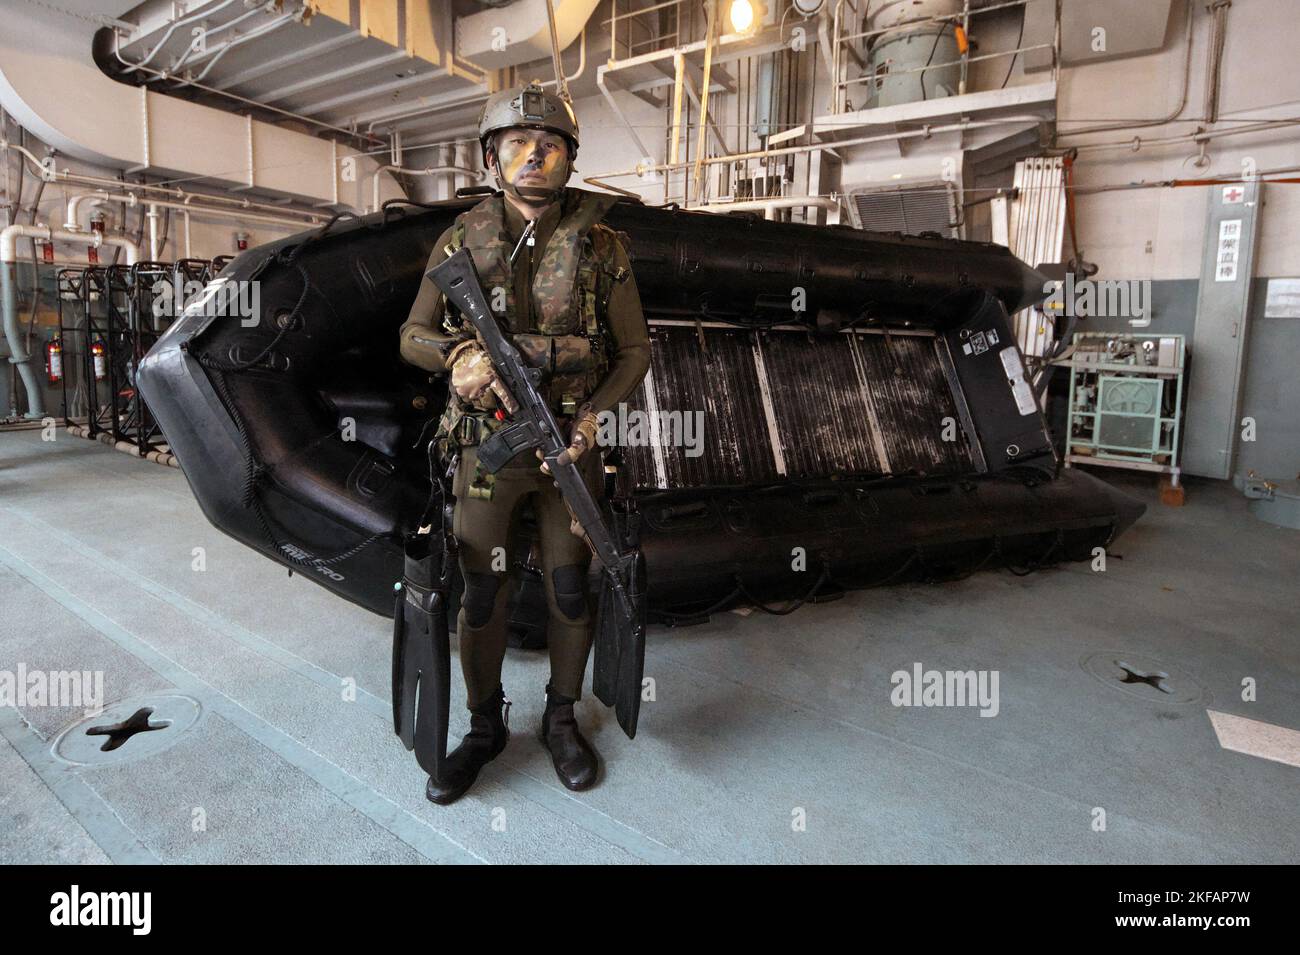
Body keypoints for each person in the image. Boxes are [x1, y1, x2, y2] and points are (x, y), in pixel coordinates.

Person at [399, 82, 650, 804]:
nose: (533, 153)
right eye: (516, 141)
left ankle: (563, 719)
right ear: (491, 156)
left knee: (572, 585)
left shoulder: (604, 247)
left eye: (550, 142)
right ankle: (484, 727)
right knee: (483, 592)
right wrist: (457, 357)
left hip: (570, 446)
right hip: (487, 453)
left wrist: (595, 415)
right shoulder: (458, 241)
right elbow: (411, 334)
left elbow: (635, 351)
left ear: (570, 158)